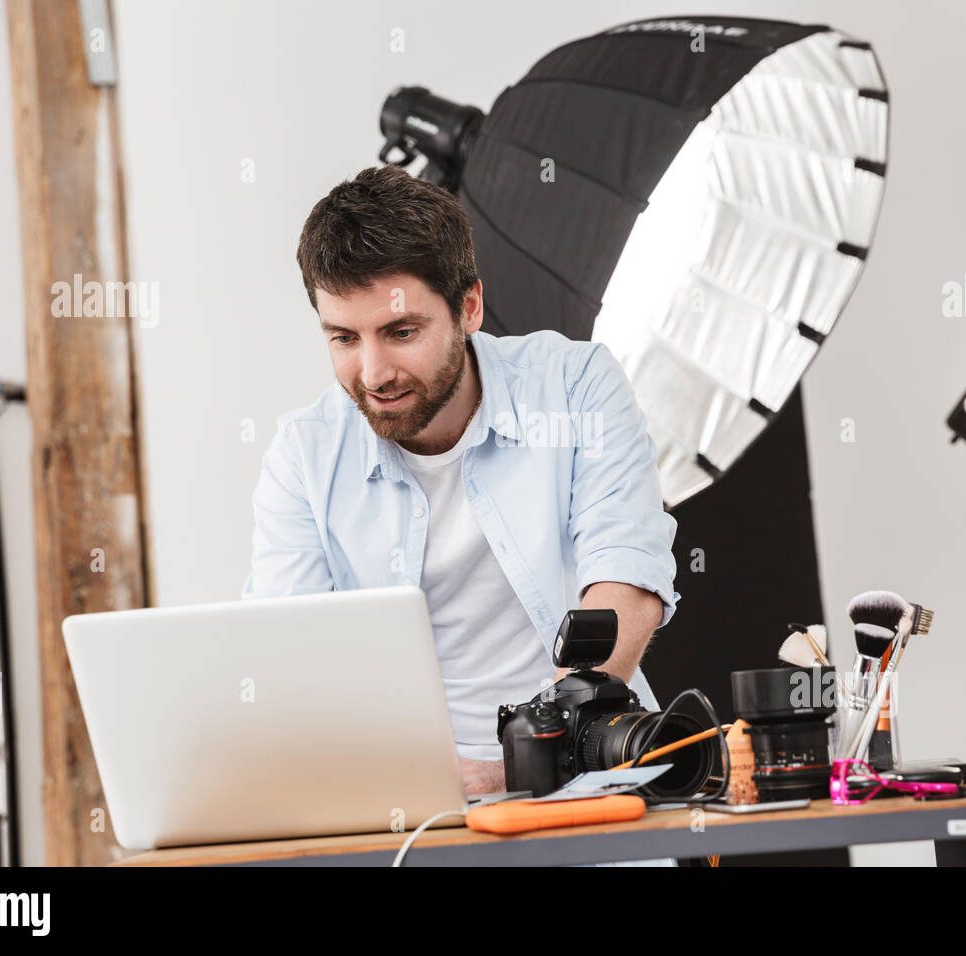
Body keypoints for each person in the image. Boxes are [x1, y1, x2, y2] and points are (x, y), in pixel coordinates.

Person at [243, 165, 682, 864]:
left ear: (470, 307)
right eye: (344, 339)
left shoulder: (575, 386)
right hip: (407, 822)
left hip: (585, 796)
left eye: (401, 330)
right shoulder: (302, 455)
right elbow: (295, 663)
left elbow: (625, 585)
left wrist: (520, 767)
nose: (373, 372)